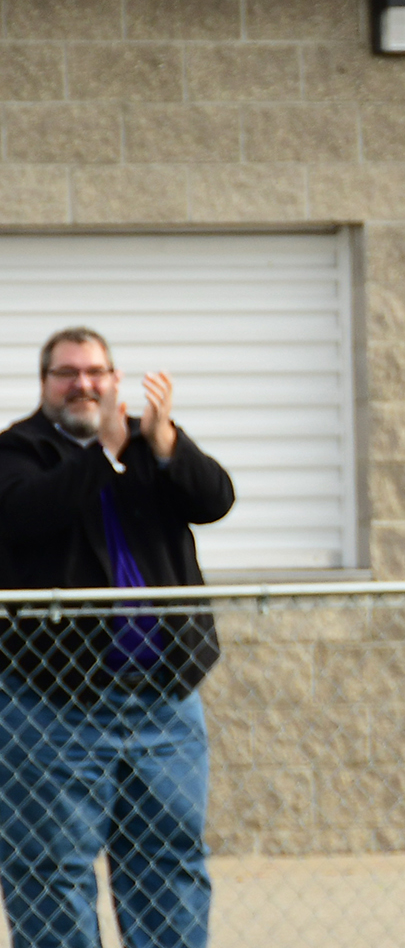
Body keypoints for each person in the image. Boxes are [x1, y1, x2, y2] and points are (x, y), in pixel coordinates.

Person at [0, 326, 235, 948]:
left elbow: (215, 500)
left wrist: (165, 443)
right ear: (45, 383)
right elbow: (24, 515)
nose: (83, 384)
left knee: (169, 866)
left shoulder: (147, 444)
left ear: (115, 380)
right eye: (68, 373)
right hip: (53, 709)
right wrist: (101, 455)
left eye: (96, 372)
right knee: (49, 872)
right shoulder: (16, 453)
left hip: (164, 705)